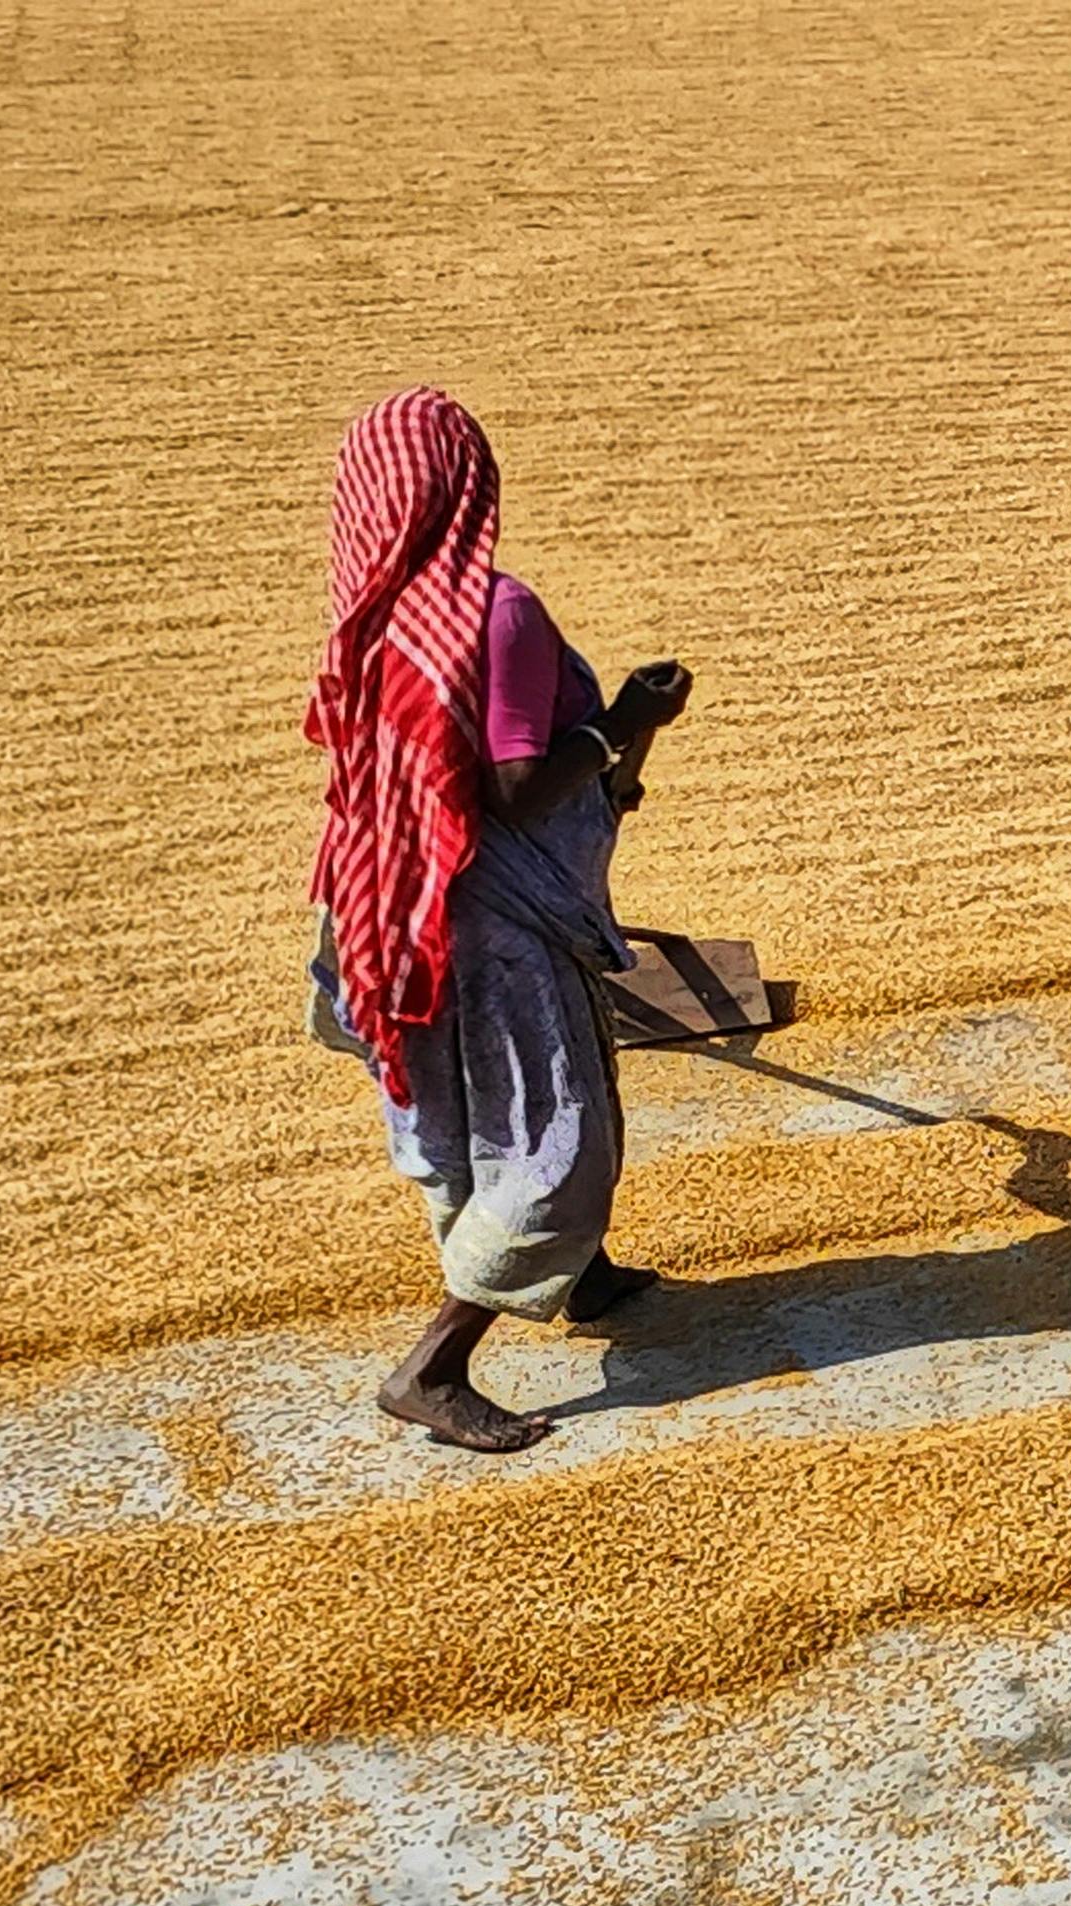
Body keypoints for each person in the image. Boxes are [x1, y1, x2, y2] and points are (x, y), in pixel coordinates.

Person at [307, 387, 694, 1453]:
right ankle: (434, 1367)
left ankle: (582, 1278)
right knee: (550, 1145)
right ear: (471, 486)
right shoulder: (498, 611)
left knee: (465, 1115)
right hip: (500, 932)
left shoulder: (372, 616)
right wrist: (624, 721)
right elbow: (520, 790)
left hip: (396, 912)